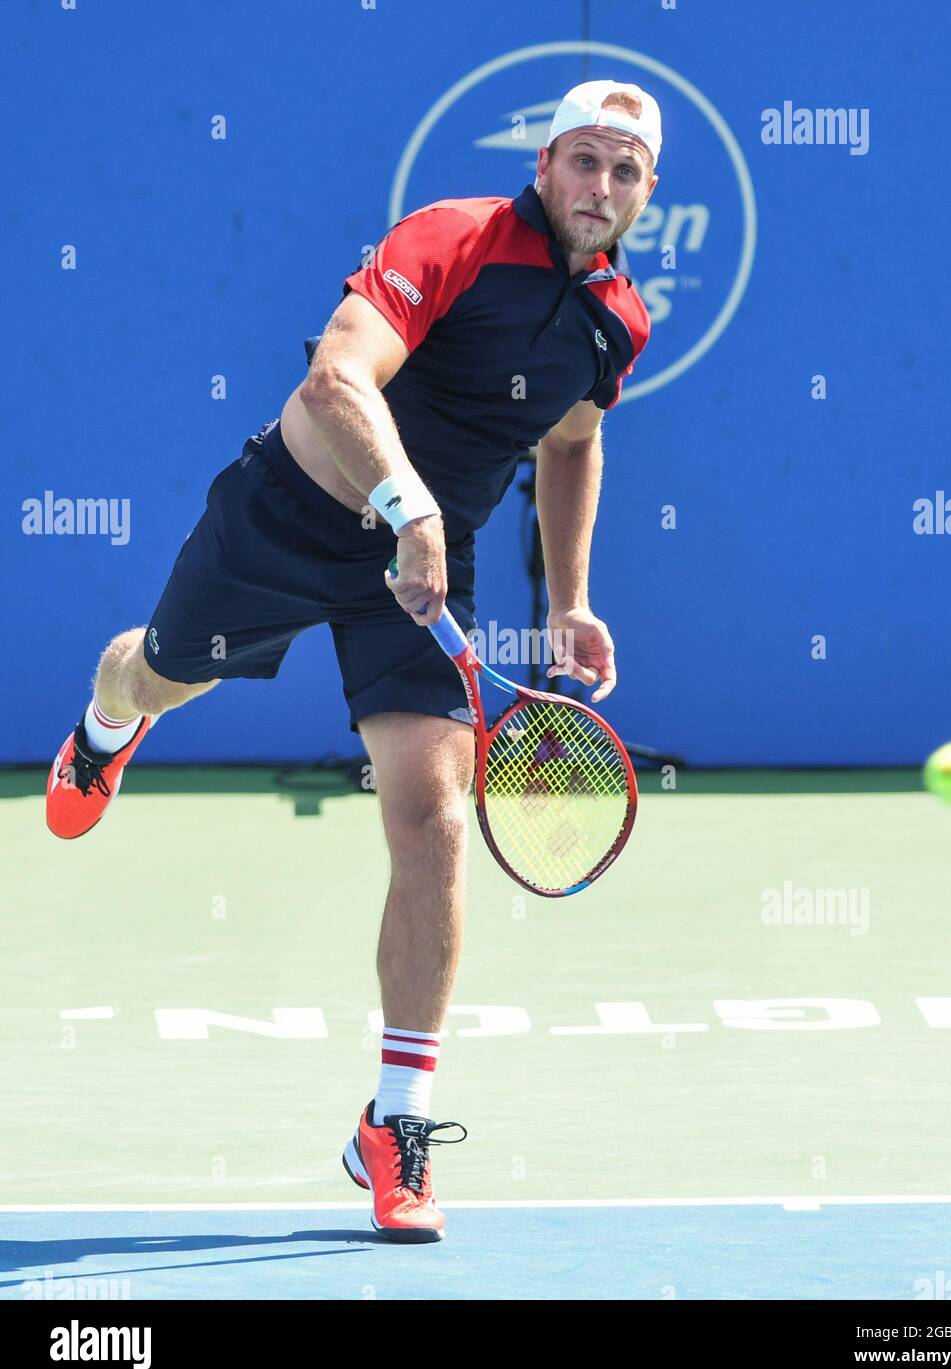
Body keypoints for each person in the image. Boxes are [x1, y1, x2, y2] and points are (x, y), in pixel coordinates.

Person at [45, 79, 661, 1243]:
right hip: (287, 520)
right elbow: (338, 376)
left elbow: (575, 439)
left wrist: (572, 596)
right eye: (586, 160)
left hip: (424, 579)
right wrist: (405, 501)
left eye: (626, 172)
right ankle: (109, 725)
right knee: (156, 671)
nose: (602, 187)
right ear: (546, 163)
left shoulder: (615, 321)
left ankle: (397, 1122)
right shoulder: (454, 239)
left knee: (432, 816)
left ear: (645, 194)